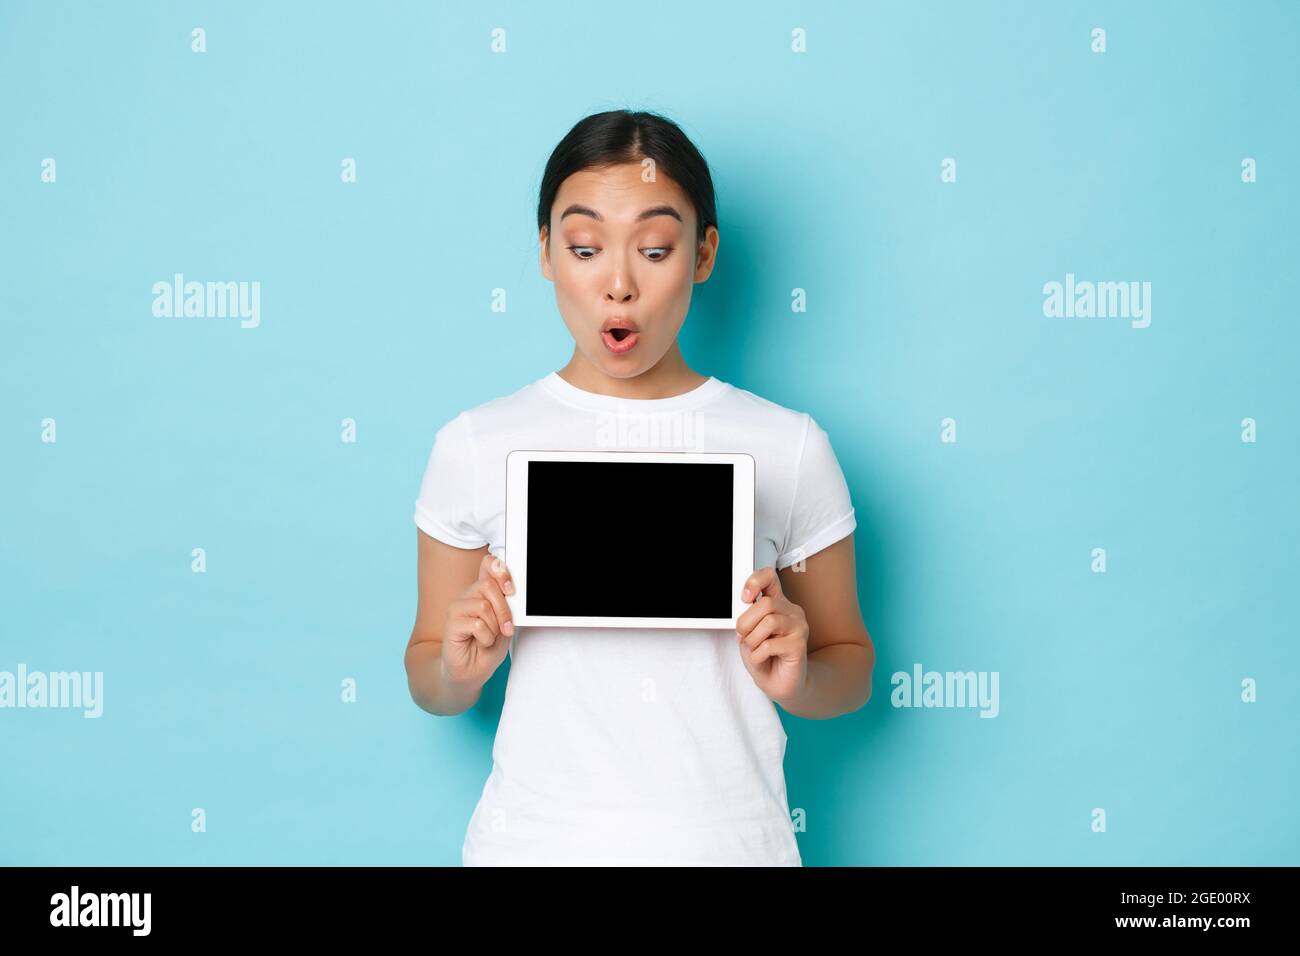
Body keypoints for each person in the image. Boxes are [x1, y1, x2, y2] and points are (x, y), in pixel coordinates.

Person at [405, 109, 874, 866]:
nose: (618, 286)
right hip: (531, 847)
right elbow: (429, 675)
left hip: (733, 848)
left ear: (704, 254)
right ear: (547, 255)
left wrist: (800, 674)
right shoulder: (473, 443)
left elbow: (849, 665)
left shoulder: (788, 446)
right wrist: (461, 666)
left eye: (655, 249)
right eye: (585, 247)